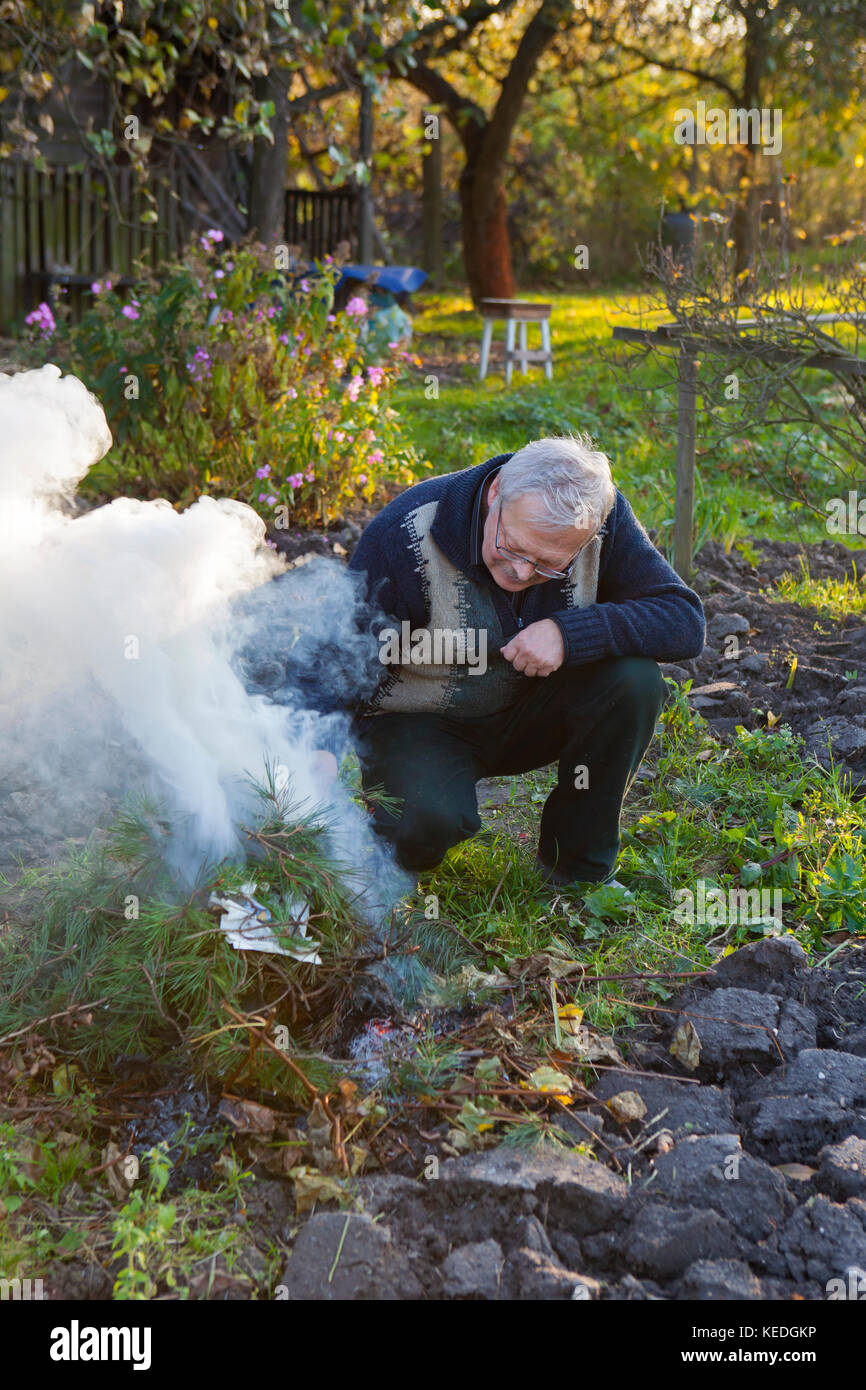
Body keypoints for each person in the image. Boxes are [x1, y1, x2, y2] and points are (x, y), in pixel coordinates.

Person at [347, 435, 705, 888]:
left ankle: (577, 872)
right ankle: (404, 839)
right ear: (496, 493)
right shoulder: (406, 531)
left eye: (548, 565)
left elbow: (684, 619)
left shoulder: (601, 520)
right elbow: (340, 648)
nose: (520, 572)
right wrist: (313, 746)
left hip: (530, 712)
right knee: (420, 824)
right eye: (512, 547)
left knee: (633, 681)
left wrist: (568, 634)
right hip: (420, 720)